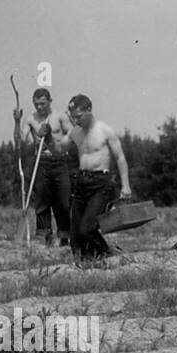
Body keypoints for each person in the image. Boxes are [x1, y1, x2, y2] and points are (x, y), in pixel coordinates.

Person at [65, 94, 132, 262]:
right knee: (75, 236)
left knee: (87, 229)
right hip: (81, 182)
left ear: (89, 110)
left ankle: (108, 255)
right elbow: (59, 147)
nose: (76, 120)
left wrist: (126, 185)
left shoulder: (105, 130)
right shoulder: (75, 132)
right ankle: (87, 263)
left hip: (101, 183)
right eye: (73, 117)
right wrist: (49, 136)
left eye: (79, 116)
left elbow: (120, 158)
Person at [13, 88, 74, 246]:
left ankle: (64, 236)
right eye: (36, 104)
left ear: (50, 101)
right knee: (42, 200)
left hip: (60, 161)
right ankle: (46, 237)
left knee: (63, 200)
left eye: (42, 103)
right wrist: (17, 122)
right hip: (41, 161)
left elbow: (72, 135)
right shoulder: (30, 119)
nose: (39, 107)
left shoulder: (59, 116)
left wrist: (51, 138)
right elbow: (21, 142)